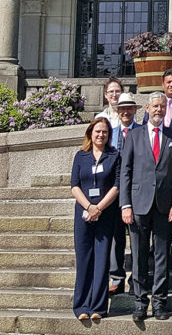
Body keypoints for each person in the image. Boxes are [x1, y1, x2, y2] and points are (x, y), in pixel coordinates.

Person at [120, 93, 172, 323]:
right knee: (138, 257)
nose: (159, 110)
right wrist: (125, 205)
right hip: (138, 205)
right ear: (147, 108)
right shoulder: (134, 135)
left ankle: (159, 302)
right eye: (155, 106)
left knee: (161, 257)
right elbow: (125, 171)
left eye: (162, 106)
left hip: (165, 206)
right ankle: (140, 302)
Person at [70, 117, 120, 323]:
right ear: (90, 133)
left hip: (105, 214)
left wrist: (98, 208)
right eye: (97, 131)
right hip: (83, 214)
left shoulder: (114, 156)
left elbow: (116, 186)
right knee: (84, 260)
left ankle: (98, 306)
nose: (101, 135)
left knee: (101, 261)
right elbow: (74, 185)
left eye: (105, 132)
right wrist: (88, 206)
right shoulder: (81, 156)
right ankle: (81, 305)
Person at [108, 93, 139, 296]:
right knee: (115, 239)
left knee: (137, 240)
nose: (125, 112)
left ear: (135, 110)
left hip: (137, 193)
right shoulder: (110, 134)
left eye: (129, 108)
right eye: (122, 109)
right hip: (115, 193)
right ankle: (117, 278)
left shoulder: (142, 132)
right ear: (117, 112)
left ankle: (135, 280)